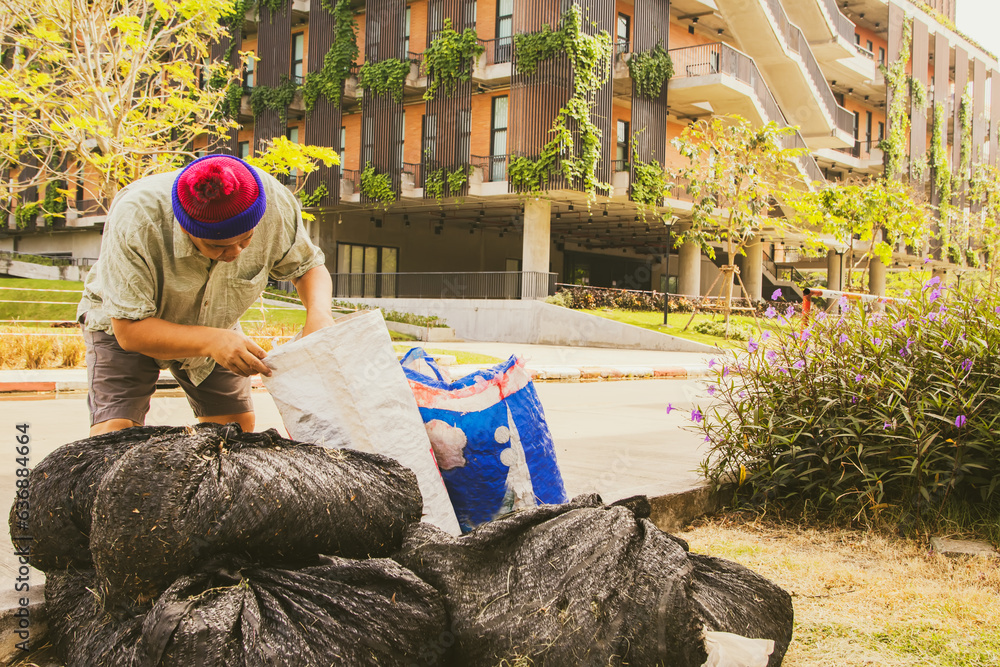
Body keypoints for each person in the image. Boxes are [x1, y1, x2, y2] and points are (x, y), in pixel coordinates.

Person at [77, 153, 335, 437]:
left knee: (234, 431)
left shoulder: (274, 202)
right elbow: (128, 331)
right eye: (218, 246)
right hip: (129, 322)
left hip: (216, 324)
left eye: (247, 239)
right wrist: (213, 341)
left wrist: (319, 317)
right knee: (113, 435)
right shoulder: (137, 218)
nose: (236, 253)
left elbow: (308, 269)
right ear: (186, 229)